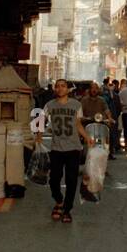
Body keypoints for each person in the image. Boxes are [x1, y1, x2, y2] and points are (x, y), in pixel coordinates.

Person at [43, 78, 95, 224]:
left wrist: (87, 137)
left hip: (73, 148)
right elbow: (42, 119)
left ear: (67, 89)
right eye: (57, 86)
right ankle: (59, 200)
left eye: (63, 86)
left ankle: (67, 210)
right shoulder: (49, 105)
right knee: (54, 179)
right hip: (56, 149)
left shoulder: (76, 105)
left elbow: (77, 124)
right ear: (55, 89)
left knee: (71, 180)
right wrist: (39, 136)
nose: (60, 88)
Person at [79, 82, 112, 202]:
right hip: (88, 126)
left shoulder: (102, 100)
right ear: (89, 90)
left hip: (100, 126)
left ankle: (103, 166)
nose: (94, 90)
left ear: (98, 90)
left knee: (106, 144)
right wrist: (83, 118)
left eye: (96, 88)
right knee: (85, 144)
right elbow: (80, 113)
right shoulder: (84, 100)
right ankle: (87, 167)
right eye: (92, 88)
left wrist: (109, 118)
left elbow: (107, 110)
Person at [103, 79, 120, 160]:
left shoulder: (116, 96)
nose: (111, 88)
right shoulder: (104, 96)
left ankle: (111, 152)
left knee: (112, 136)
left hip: (113, 118)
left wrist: (115, 117)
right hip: (105, 119)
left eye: (111, 86)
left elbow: (118, 107)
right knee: (106, 136)